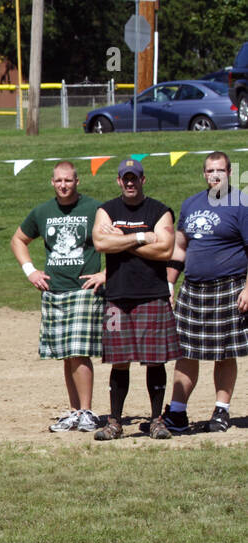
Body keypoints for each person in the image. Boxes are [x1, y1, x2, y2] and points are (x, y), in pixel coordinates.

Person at [10, 161, 105, 432]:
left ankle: (86, 411)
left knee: (79, 351)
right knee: (66, 354)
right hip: (54, 291)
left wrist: (106, 274)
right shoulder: (42, 212)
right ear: (52, 183)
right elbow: (18, 240)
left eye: (69, 180)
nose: (64, 185)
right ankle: (75, 412)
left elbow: (119, 240)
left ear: (78, 181)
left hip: (84, 290)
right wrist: (30, 271)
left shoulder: (95, 209)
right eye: (59, 181)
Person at [91, 158, 180, 440]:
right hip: (117, 297)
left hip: (152, 295)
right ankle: (114, 422)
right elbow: (101, 243)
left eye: (135, 177)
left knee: (155, 361)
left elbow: (166, 251)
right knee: (119, 362)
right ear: (118, 181)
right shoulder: (106, 210)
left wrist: (125, 238)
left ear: (143, 180)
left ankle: (157, 421)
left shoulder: (160, 210)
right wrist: (143, 237)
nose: (130, 182)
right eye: (125, 178)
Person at [164, 151, 248, 433]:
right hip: (193, 289)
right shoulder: (190, 204)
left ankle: (221, 411)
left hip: (229, 288)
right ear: (204, 174)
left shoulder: (242, 205)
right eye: (210, 171)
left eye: (221, 171)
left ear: (229, 173)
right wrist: (170, 283)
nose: (215, 176)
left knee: (224, 353)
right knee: (185, 351)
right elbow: (179, 247)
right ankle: (177, 412)